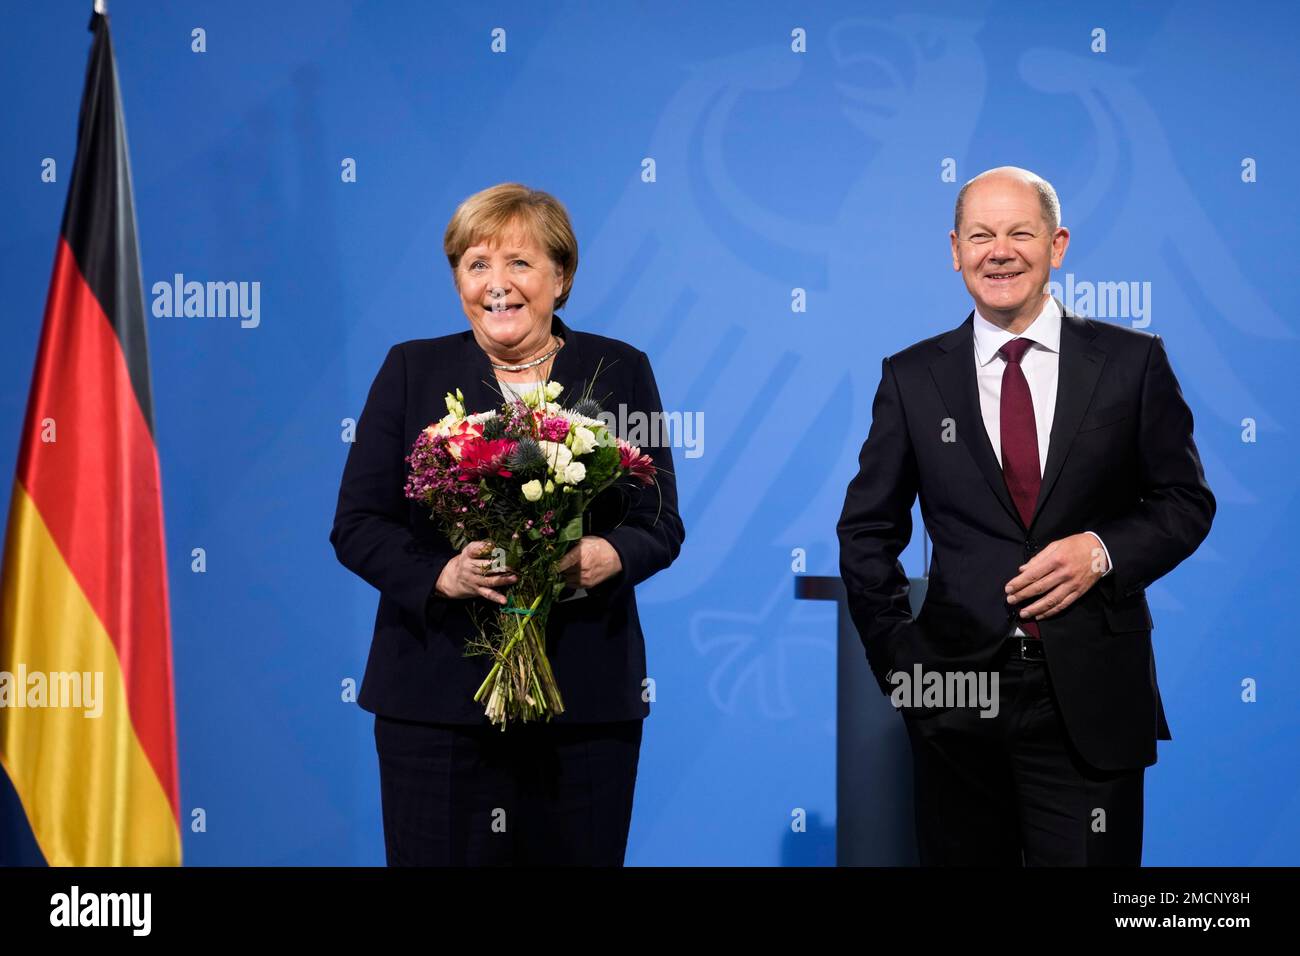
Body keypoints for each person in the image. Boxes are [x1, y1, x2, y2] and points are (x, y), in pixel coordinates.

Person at [836, 166, 1215, 866]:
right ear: (954, 250)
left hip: (1090, 696)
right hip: (955, 698)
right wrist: (904, 665)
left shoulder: (1132, 363)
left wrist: (1101, 549)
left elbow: (1186, 502)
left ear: (1058, 244)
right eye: (981, 235)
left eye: (1020, 233)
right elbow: (866, 533)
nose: (999, 251)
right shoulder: (911, 377)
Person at [330, 183, 684, 866]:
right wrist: (441, 573)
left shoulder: (620, 372)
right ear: (458, 279)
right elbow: (357, 523)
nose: (498, 285)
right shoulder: (412, 370)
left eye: (520, 263)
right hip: (436, 708)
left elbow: (660, 521)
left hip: (583, 708)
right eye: (476, 264)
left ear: (563, 276)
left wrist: (604, 556)